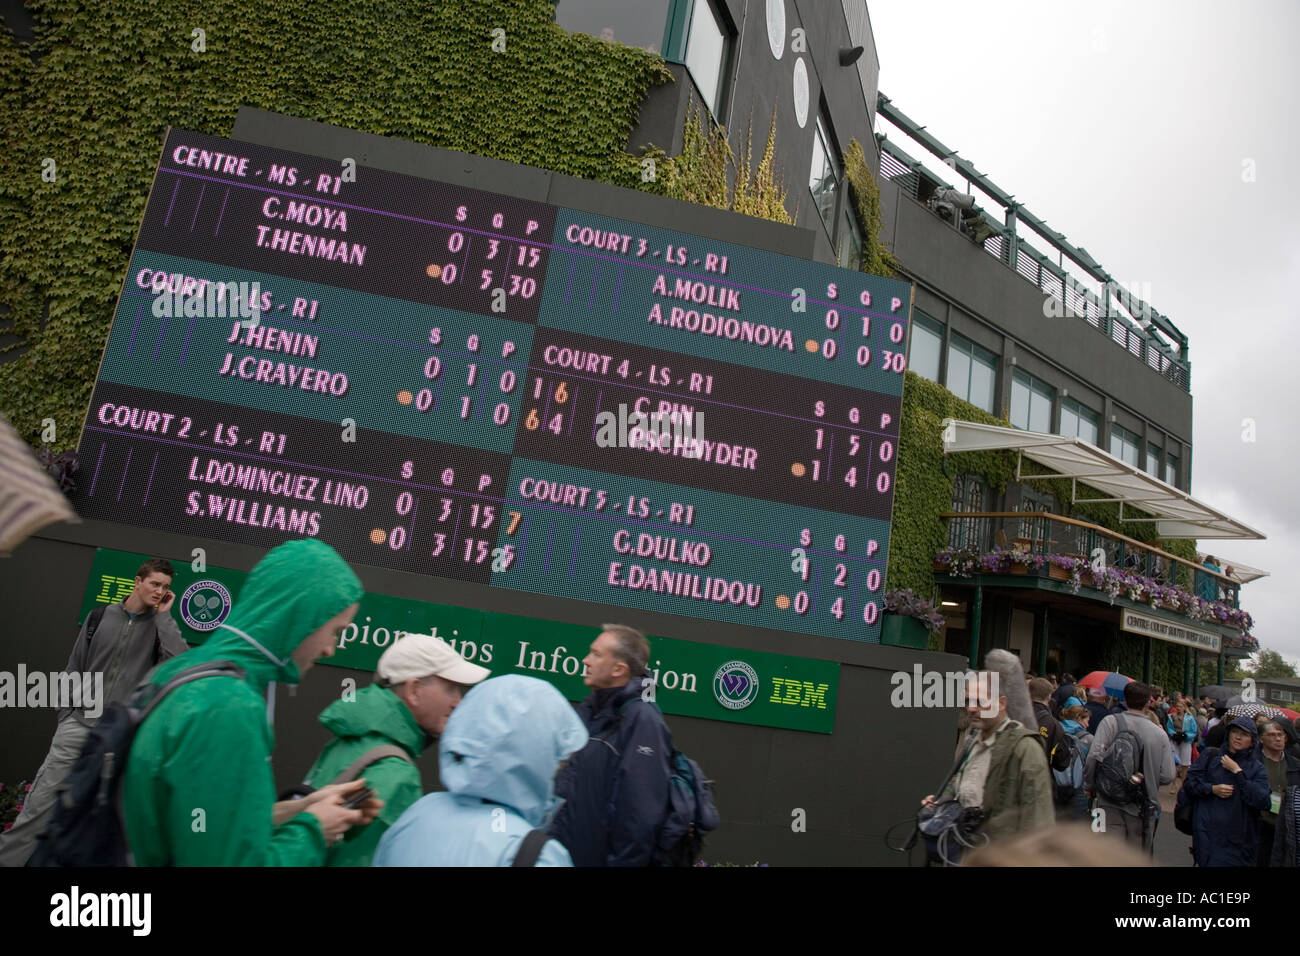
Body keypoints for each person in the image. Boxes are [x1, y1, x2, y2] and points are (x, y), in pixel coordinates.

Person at [122, 540, 380, 865]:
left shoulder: (188, 670)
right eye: (335, 631)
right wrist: (314, 829)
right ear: (301, 617)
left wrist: (301, 809)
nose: (331, 649)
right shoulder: (229, 706)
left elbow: (207, 825)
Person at [0, 557, 190, 867]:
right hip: (77, 727)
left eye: (165, 587)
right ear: (138, 581)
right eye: (154, 584)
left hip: (117, 739)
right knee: (38, 809)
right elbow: (75, 667)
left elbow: (180, 662)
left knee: (100, 820)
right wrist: (67, 716)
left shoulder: (159, 628)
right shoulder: (99, 616)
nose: (159, 591)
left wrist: (164, 619)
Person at [300, 633, 490, 866]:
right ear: (414, 691)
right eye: (450, 688)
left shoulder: (346, 741)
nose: (458, 702)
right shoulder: (397, 774)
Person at [373, 675, 588, 866]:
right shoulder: (536, 854)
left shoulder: (417, 814)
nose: (561, 767)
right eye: (559, 757)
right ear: (538, 755)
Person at [549, 624, 673, 867]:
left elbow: (640, 818)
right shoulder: (587, 713)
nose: (585, 660)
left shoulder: (643, 720)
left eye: (596, 654)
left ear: (619, 669)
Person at [922, 668, 1055, 844]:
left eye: (979, 701)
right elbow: (959, 784)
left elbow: (1039, 820)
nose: (971, 708)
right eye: (968, 700)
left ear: (1001, 703)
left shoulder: (1025, 748)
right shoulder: (973, 739)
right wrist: (940, 802)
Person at [1084, 681, 1175, 854]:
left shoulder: (1110, 722)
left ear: (1124, 699)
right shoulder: (1159, 733)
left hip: (1107, 799)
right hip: (1142, 804)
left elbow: (1093, 757)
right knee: (1136, 855)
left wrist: (1090, 785)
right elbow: (1168, 775)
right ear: (1149, 702)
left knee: (1103, 852)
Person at [1182, 716, 1271, 867]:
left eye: (1244, 734)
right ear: (1228, 733)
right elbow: (1190, 784)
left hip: (1239, 841)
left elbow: (1263, 800)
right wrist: (1211, 789)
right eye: (1234, 731)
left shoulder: (1257, 768)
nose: (1237, 737)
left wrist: (1237, 772)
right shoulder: (1211, 756)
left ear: (1252, 740)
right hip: (1207, 835)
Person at [1255, 719, 1300, 867]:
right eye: (1272, 735)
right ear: (1261, 739)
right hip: (1260, 827)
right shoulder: (1253, 763)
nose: (1278, 738)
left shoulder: (1295, 764)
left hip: (1287, 830)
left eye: (1281, 735)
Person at [1058, 703, 1094, 821]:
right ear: (1079, 718)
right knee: (1076, 827)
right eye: (1087, 721)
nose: (1088, 725)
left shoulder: (1056, 730)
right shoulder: (1088, 738)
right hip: (1079, 786)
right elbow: (1092, 764)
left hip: (1056, 784)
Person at [1028, 678, 1073, 774]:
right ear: (1049, 697)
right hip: (1039, 777)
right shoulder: (1054, 725)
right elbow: (1062, 763)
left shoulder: (1014, 715)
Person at [1167, 701, 1198, 795]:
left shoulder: (1190, 718)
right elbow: (1168, 727)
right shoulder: (1171, 716)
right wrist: (1173, 734)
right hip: (1175, 740)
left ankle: (1183, 785)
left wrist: (1186, 735)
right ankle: (1174, 784)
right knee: (1174, 762)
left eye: (1180, 706)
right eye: (1177, 706)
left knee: (1185, 763)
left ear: (1184, 707)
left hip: (1185, 741)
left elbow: (1194, 730)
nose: (1179, 708)